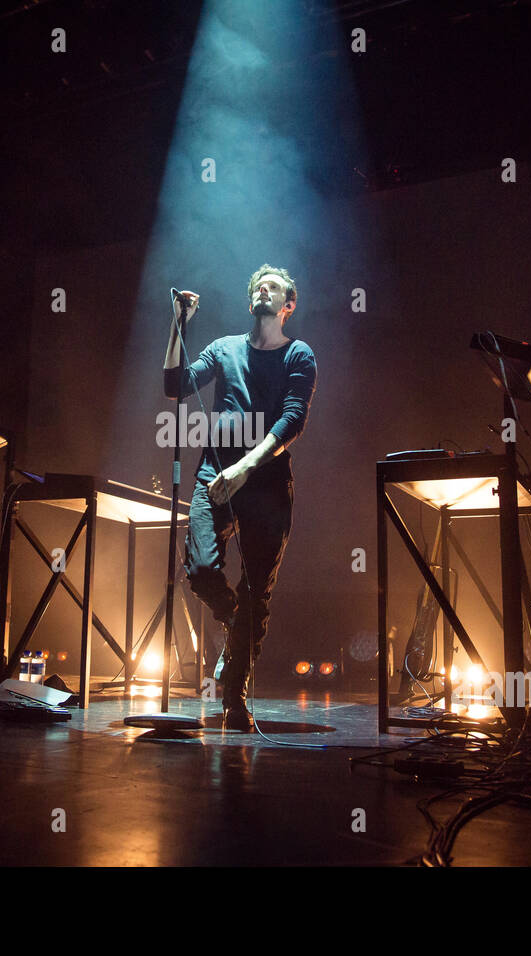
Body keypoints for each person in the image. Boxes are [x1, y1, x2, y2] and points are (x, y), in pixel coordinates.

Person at [163, 265, 317, 731]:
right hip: (215, 472)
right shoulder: (223, 349)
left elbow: (293, 419)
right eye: (256, 287)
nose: (261, 291)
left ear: (288, 304)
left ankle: (234, 698)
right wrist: (178, 323)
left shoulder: (299, 354)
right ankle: (235, 626)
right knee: (203, 568)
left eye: (271, 287)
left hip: (265, 481)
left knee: (257, 592)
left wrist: (247, 466)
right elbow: (175, 386)